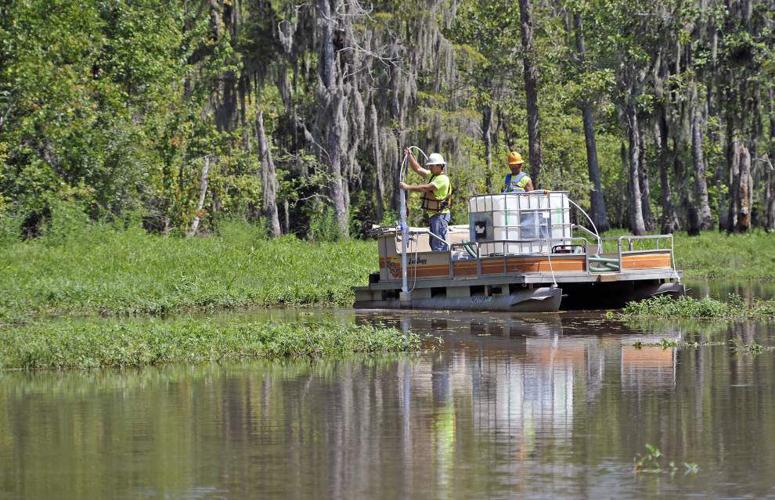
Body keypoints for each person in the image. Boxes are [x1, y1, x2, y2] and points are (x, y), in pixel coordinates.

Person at [399, 148, 452, 251]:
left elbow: (425, 188)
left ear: (440, 166)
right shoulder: (432, 175)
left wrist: (407, 187)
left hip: (440, 216)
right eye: (430, 166)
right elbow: (418, 169)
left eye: (432, 165)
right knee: (433, 244)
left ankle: (443, 265)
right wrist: (410, 156)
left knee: (439, 245)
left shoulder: (442, 179)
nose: (430, 167)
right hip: (434, 216)